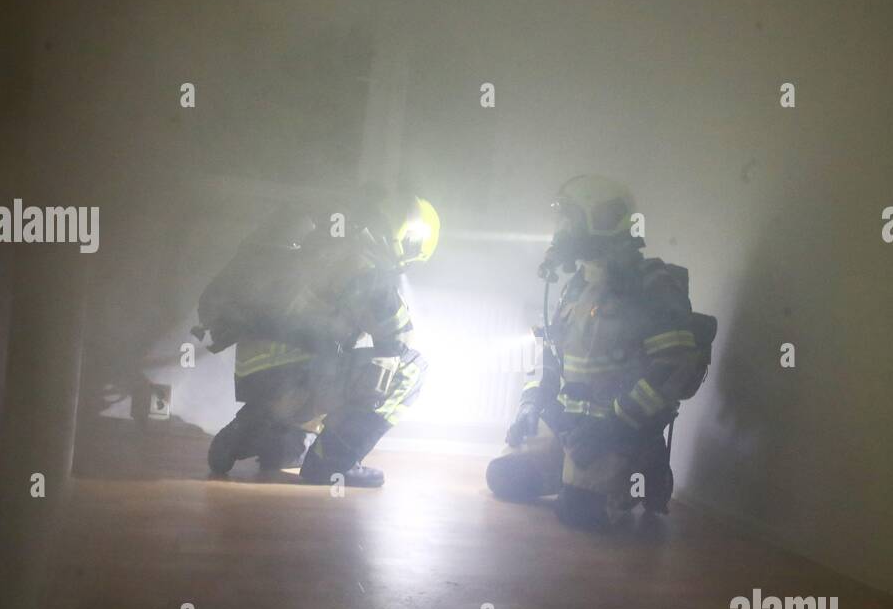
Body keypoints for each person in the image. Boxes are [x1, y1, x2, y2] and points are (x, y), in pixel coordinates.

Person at [485, 175, 714, 529]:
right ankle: (575, 476)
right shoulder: (576, 287)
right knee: (503, 478)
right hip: (570, 424)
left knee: (579, 513)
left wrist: (615, 425)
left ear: (602, 220)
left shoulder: (652, 286)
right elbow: (550, 360)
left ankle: (643, 465)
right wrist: (530, 406)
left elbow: (673, 368)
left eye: (570, 219)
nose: (561, 230)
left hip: (619, 427)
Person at [197, 189, 439, 487]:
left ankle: (254, 430)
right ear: (409, 240)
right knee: (410, 366)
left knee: (292, 451)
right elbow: (398, 338)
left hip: (260, 375)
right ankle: (333, 462)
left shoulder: (323, 245)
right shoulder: (364, 266)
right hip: (300, 371)